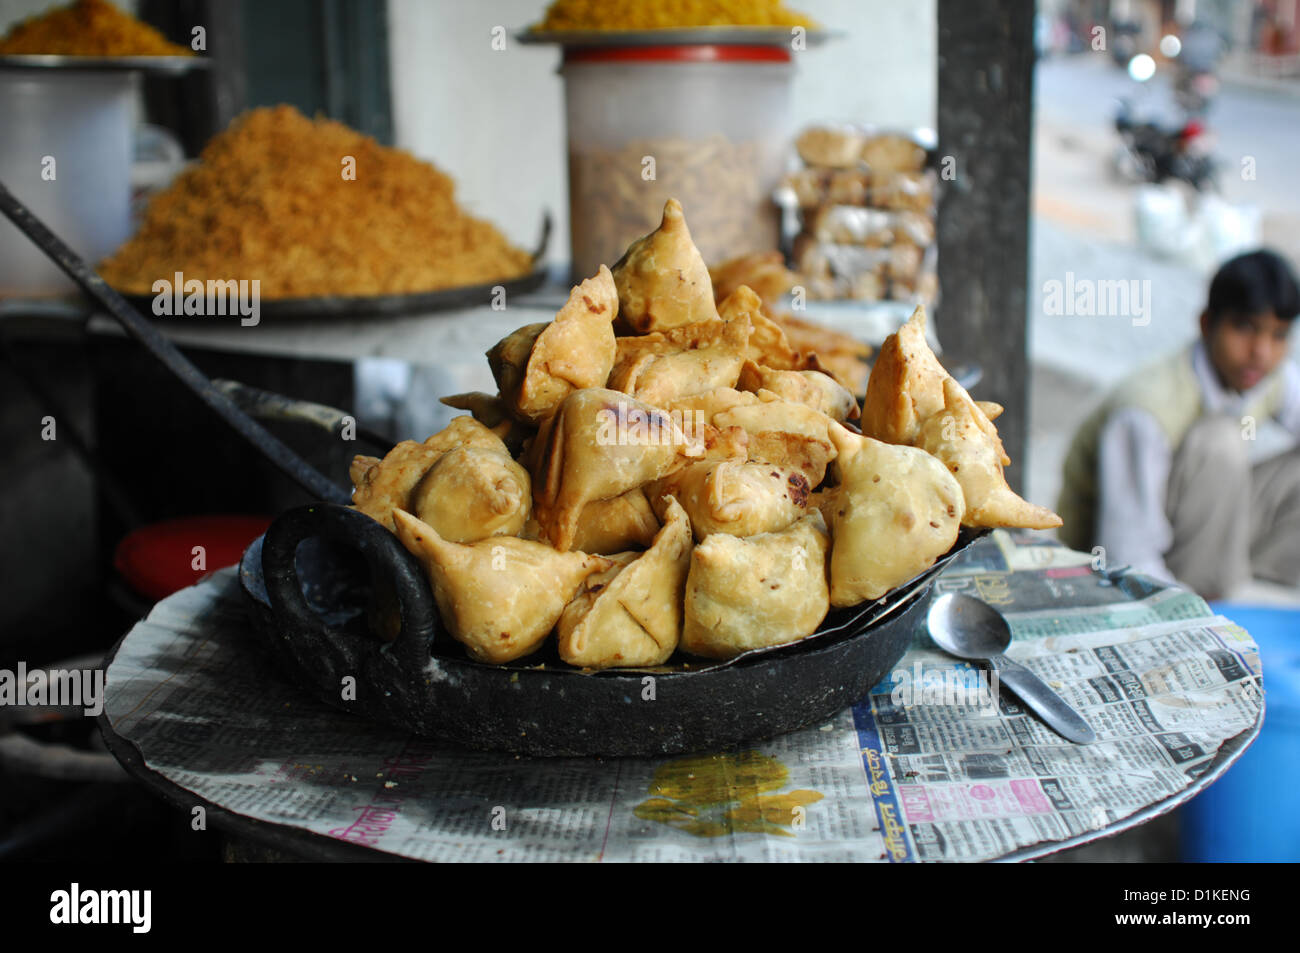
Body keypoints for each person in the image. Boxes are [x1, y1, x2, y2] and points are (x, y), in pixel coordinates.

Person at [1057, 249, 1300, 599]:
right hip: (1129, 560)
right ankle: (1210, 600)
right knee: (1222, 443)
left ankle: (1255, 587)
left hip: (1210, 536)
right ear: (1206, 323)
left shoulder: (1266, 376)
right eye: (1245, 327)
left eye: (1279, 335)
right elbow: (1128, 553)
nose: (1261, 351)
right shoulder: (1144, 411)